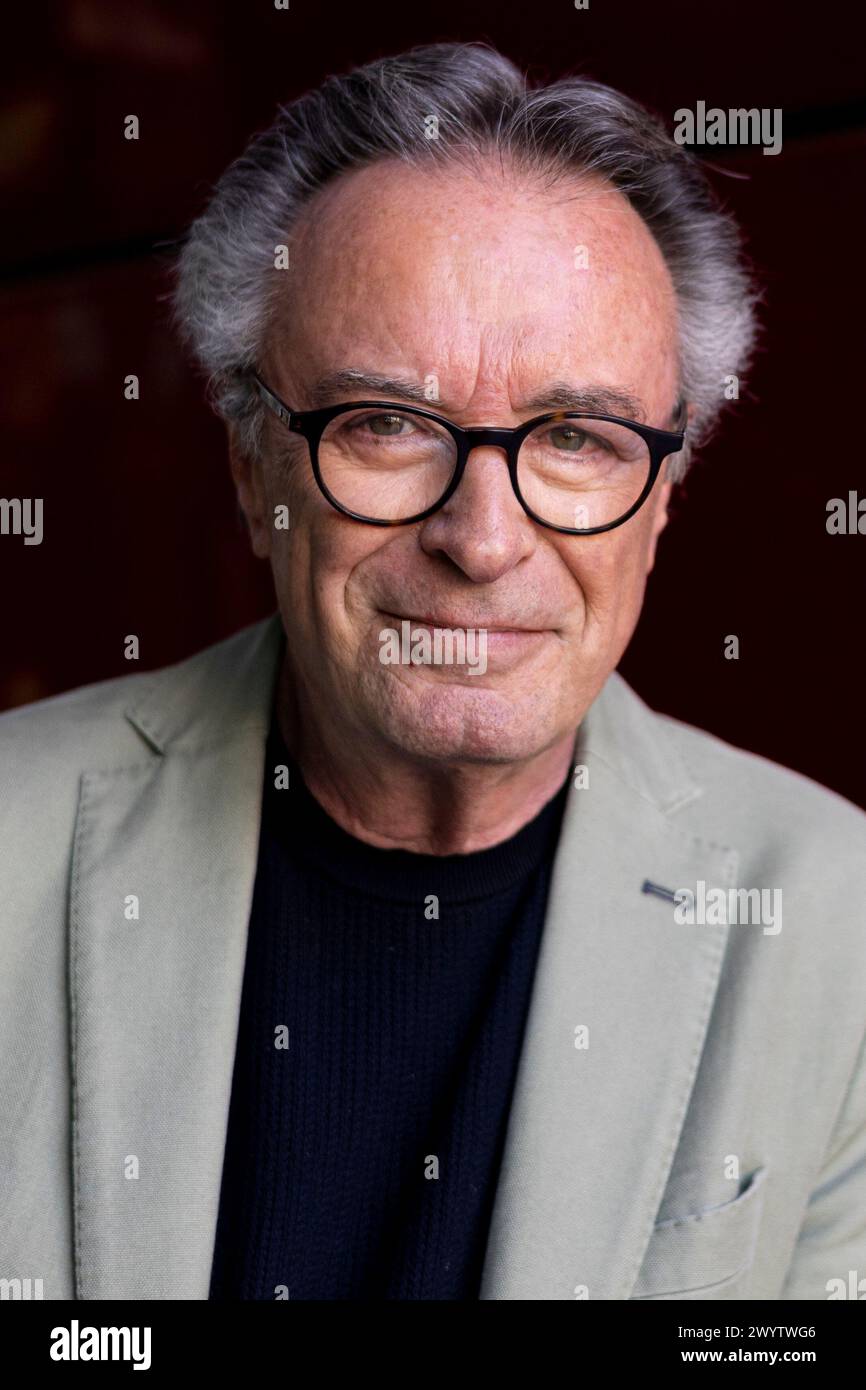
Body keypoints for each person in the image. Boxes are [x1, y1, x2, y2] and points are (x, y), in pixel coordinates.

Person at [1, 43, 864, 1302]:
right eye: (386, 425)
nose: (481, 537)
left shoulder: (836, 925)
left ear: (661, 498)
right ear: (253, 474)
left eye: (575, 437)